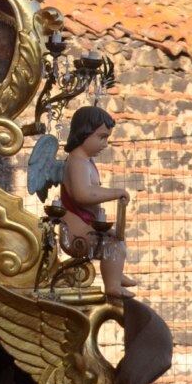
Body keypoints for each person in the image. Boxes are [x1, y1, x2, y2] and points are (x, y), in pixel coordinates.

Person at [60, 105, 133, 296]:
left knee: (117, 239)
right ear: (85, 133)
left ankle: (115, 274)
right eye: (101, 137)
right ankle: (112, 285)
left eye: (107, 138)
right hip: (76, 233)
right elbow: (82, 194)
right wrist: (115, 192)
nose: (105, 143)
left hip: (86, 226)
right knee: (113, 245)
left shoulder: (85, 162)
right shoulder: (76, 162)